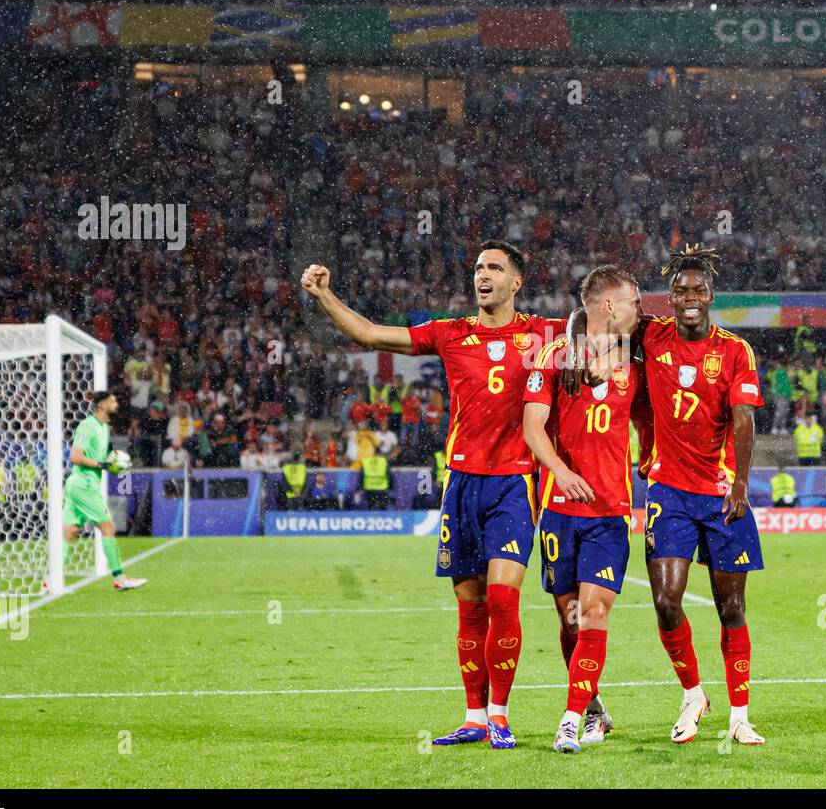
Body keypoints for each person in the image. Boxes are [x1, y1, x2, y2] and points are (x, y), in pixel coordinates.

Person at [302, 242, 566, 750]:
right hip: (462, 484)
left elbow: (605, 343)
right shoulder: (451, 334)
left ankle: (499, 716)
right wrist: (324, 296)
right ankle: (472, 716)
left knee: (504, 598)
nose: (482, 275)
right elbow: (369, 334)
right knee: (470, 605)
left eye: (495, 268)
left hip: (515, 484)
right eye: (477, 268)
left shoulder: (543, 336)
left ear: (517, 282)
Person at [600, 245, 766, 746]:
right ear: (668, 298)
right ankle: (694, 694)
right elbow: (597, 317)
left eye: (697, 291)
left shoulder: (735, 350)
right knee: (667, 602)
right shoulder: (651, 337)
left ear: (711, 297)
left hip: (720, 494)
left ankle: (739, 715)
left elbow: (744, 419)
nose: (689, 297)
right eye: (680, 290)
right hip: (666, 490)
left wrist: (739, 483)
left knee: (730, 606)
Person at [522, 265, 650, 752]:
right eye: (635, 302)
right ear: (610, 306)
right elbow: (534, 427)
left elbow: (648, 417)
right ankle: (594, 707)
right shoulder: (555, 356)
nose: (642, 311)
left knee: (594, 612)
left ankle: (571, 719)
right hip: (558, 509)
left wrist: (653, 453)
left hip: (610, 513)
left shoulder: (635, 361)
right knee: (570, 619)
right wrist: (560, 470)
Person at [63, 391, 147, 590]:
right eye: (113, 400)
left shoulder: (105, 428)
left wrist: (116, 460)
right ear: (101, 405)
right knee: (108, 528)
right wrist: (102, 465)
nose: (116, 402)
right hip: (84, 485)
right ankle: (119, 578)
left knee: (69, 532)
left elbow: (103, 456)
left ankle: (50, 578)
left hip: (81, 486)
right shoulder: (87, 426)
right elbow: (75, 457)